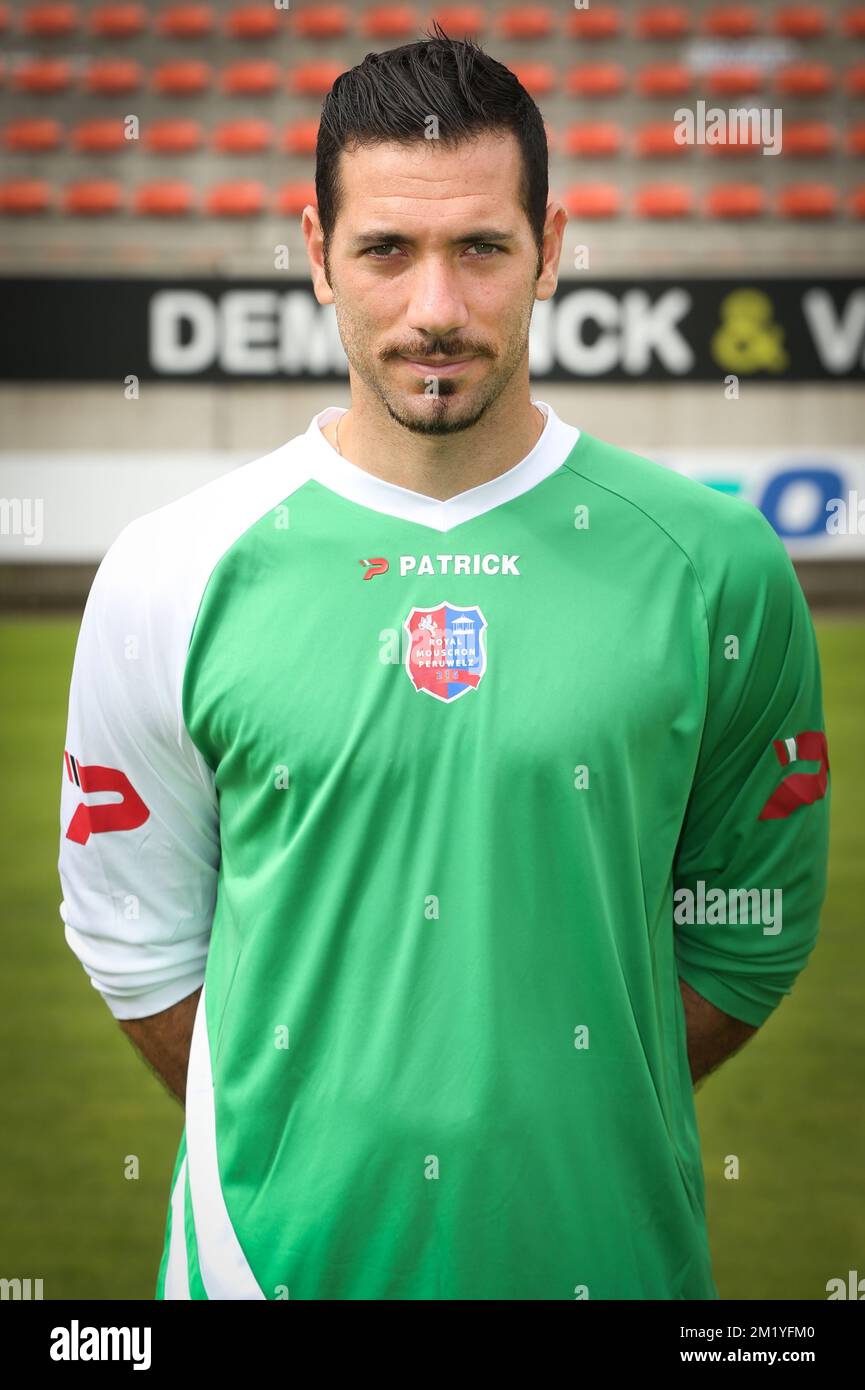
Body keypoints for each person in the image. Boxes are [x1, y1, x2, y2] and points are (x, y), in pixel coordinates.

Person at [58, 28, 830, 1300]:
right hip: (267, 1273)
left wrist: (553, 1099)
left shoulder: (715, 566)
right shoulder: (171, 569)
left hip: (609, 1267)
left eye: (481, 247)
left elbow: (746, 932)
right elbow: (136, 938)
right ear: (314, 252)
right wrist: (328, 1116)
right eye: (385, 251)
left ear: (552, 249)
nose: (435, 308)